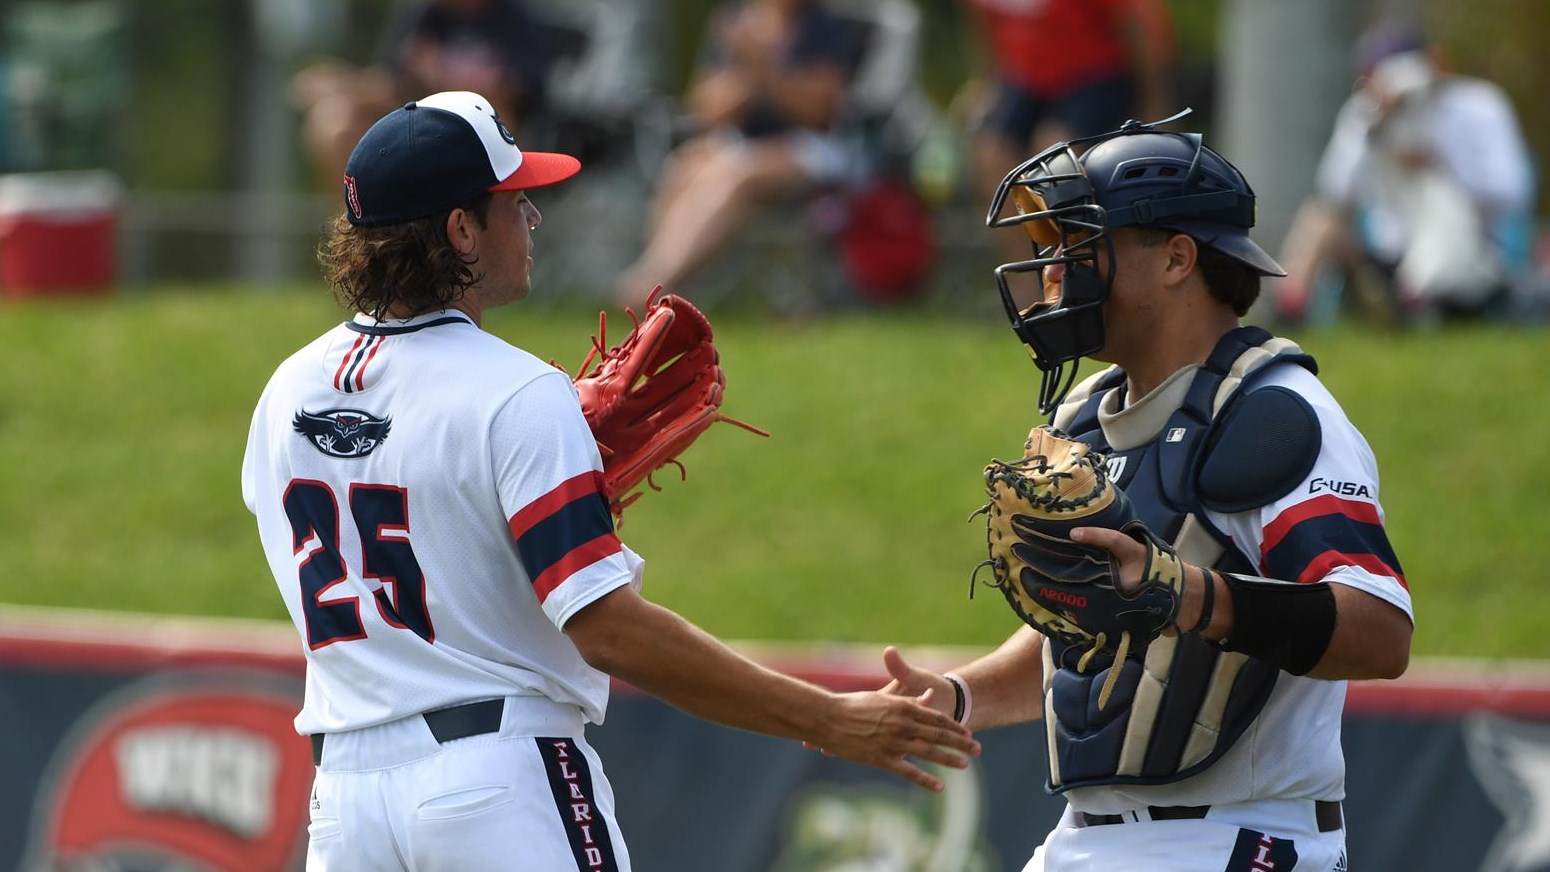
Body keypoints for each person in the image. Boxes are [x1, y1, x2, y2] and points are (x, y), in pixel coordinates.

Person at [240, 90, 978, 870]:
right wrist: (828, 718)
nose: (532, 218)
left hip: (346, 805)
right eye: (513, 201)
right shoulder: (517, 392)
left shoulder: (286, 391)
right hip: (494, 784)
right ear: (460, 230)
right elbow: (608, 630)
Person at [859, 122, 1413, 870]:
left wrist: (1189, 594)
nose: (1055, 269)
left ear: (1178, 258)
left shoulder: (1274, 412)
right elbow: (1088, 631)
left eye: (1082, 243)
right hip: (1087, 836)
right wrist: (957, 699)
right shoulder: (1084, 417)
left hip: (1236, 835)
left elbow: (1379, 631)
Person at [1272, 24, 1535, 327]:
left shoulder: (1480, 105)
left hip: (1468, 250)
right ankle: (1289, 310)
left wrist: (1439, 162)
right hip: (1388, 251)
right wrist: (1374, 127)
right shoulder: (1364, 112)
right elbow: (1335, 190)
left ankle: (1413, 302)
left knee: (1443, 217)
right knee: (1320, 219)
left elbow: (1512, 192)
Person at [612, 0, 869, 307]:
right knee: (688, 162)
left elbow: (818, 113)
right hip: (742, 142)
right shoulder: (736, 23)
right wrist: (747, 71)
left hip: (812, 148)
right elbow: (706, 113)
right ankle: (660, 287)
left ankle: (652, 286)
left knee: (739, 174)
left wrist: (763, 67)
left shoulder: (824, 26)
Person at [959, 0, 1176, 309]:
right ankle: (1028, 280)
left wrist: (1154, 101)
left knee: (1053, 156)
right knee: (991, 153)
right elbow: (983, 24)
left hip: (1096, 71)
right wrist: (987, 82)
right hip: (1029, 77)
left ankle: (1076, 275)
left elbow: (1135, 27)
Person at [291, 0, 555, 191]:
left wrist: (440, 78)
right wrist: (346, 86)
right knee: (335, 122)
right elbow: (392, 83)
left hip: (485, 130)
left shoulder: (516, 17)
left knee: (496, 119)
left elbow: (520, 92)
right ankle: (363, 227)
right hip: (420, 125)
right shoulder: (424, 16)